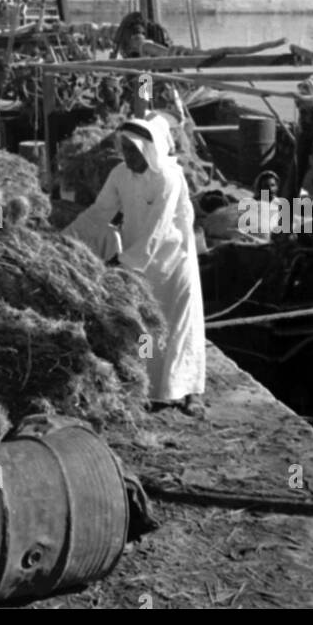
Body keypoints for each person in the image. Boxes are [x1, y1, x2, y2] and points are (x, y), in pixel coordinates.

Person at [65, 114, 205, 414]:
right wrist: (66, 239)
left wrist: (121, 262)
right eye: (125, 150)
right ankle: (151, 386)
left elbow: (157, 230)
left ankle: (188, 390)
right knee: (146, 327)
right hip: (138, 261)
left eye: (134, 151)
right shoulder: (120, 174)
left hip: (173, 262)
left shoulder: (168, 178)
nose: (127, 157)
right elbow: (98, 213)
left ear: (150, 150)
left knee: (179, 326)